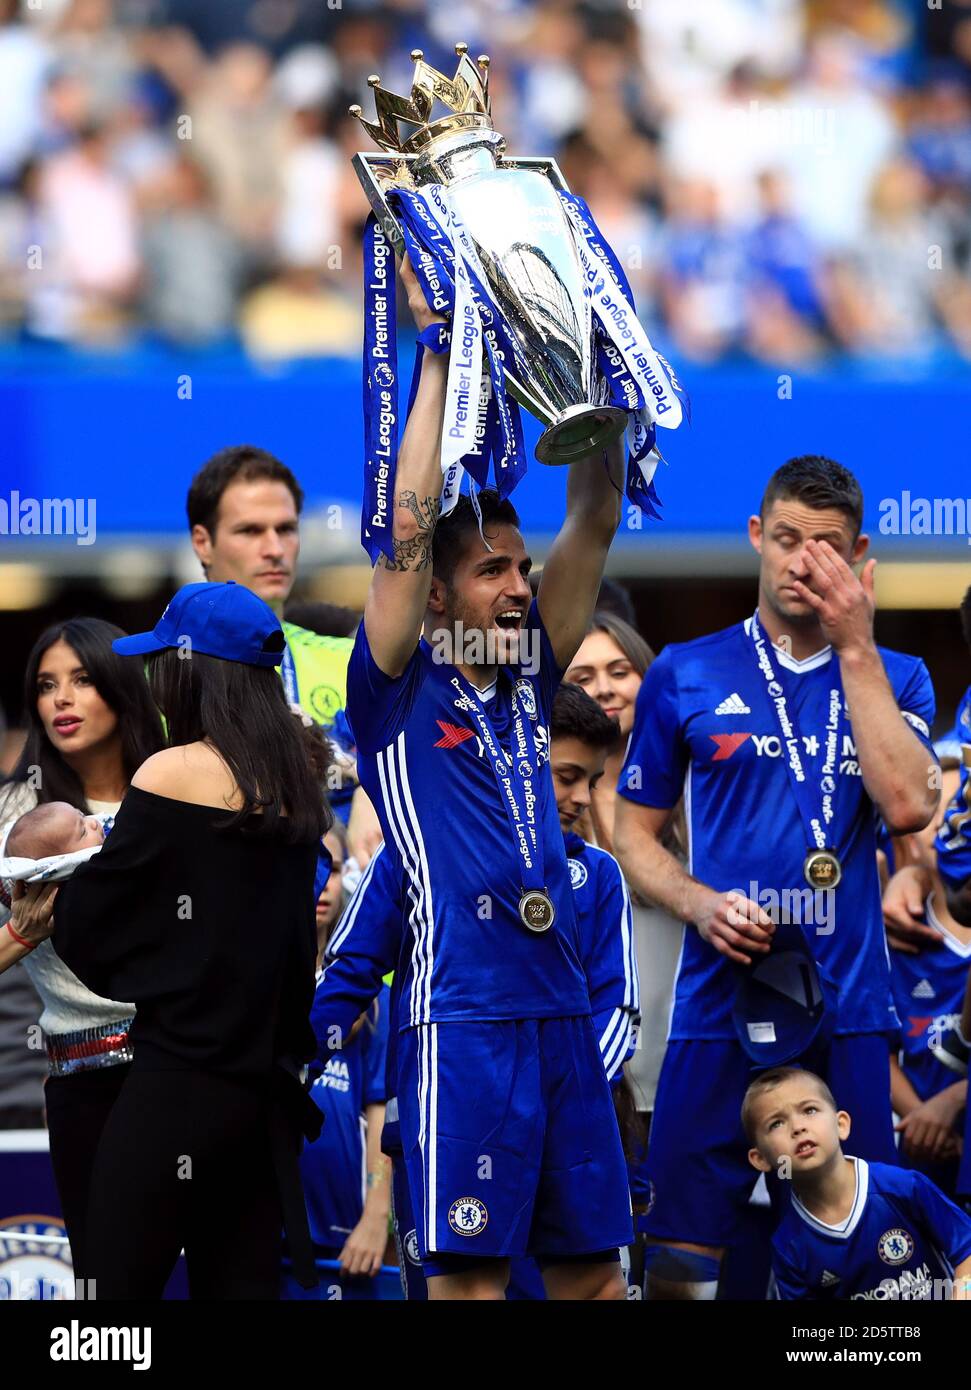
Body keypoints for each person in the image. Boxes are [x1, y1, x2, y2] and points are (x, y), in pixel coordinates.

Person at [340, 256, 633, 1301]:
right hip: (461, 1027)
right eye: (493, 571)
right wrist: (433, 365)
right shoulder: (395, 693)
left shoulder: (530, 671)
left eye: (520, 566)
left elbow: (592, 517)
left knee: (593, 1278)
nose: (519, 585)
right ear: (437, 600)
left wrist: (589, 360)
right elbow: (408, 530)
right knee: (465, 1286)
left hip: (558, 1021)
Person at [613, 454, 940, 1300]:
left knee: (865, 1251)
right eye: (786, 539)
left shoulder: (897, 674)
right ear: (756, 536)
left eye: (826, 547)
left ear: (861, 554)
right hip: (717, 1000)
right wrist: (695, 902)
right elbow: (630, 831)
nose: (802, 562)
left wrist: (855, 643)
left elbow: (906, 804)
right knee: (684, 1253)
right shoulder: (683, 670)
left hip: (848, 1005)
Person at [17, 582, 330, 1299]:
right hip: (260, 1101)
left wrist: (57, 892)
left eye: (164, 662)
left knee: (112, 1307)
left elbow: (98, 931)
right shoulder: (294, 789)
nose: (155, 679)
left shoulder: (171, 770)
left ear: (195, 671)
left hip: (173, 1086)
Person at [311, 682, 642, 1300]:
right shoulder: (418, 848)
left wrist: (572, 1087)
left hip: (570, 1108)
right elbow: (350, 970)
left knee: (599, 1285)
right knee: (471, 1291)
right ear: (518, 759)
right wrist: (295, 1067)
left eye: (591, 782)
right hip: (457, 1107)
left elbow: (619, 1007)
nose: (577, 798)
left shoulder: (596, 874)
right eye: (565, 775)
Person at [0, 617, 163, 1283]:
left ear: (122, 685)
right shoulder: (16, 812)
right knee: (109, 1286)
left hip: (194, 1066)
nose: (61, 699)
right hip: (87, 1079)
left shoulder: (181, 786)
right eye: (46, 685)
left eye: (83, 679)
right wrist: (23, 930)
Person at [744, 1067, 971, 1301]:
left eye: (809, 1110)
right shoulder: (789, 1246)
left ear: (841, 1124)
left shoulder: (902, 1186)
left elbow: (967, 1252)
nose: (797, 1127)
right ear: (760, 1158)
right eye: (776, 1124)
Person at [285, 820, 393, 1301]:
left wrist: (375, 1217)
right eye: (310, 868)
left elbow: (382, 1114)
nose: (320, 884)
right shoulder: (250, 978)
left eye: (330, 869)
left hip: (345, 1227)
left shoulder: (367, 996)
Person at [886, 860, 969, 1197]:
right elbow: (878, 1050)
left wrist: (955, 1100)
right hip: (921, 1151)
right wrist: (923, 1119)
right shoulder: (894, 932)